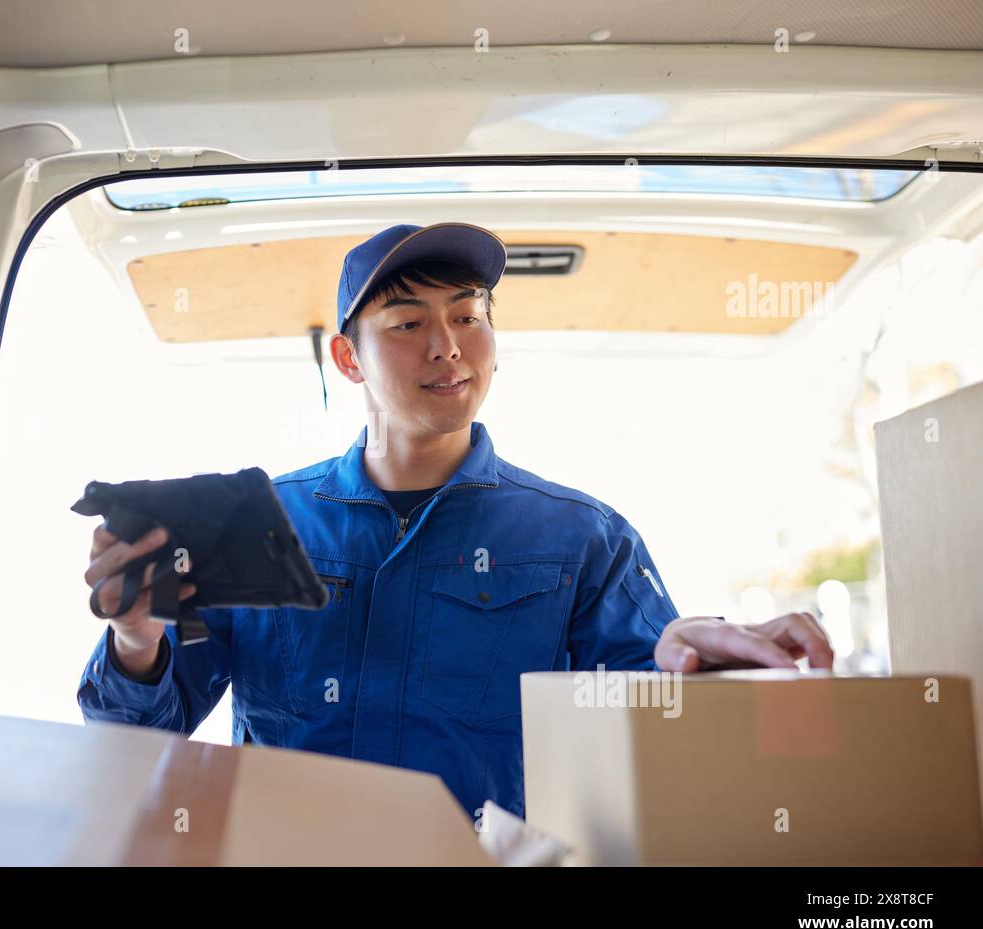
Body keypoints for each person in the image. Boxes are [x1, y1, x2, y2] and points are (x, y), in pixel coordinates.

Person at [77, 222, 834, 821]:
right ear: (348, 357)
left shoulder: (583, 539)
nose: (447, 345)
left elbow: (650, 720)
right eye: (407, 323)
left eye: (468, 315)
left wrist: (696, 668)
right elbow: (132, 744)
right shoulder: (257, 526)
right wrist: (137, 639)